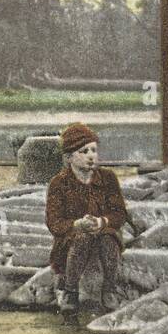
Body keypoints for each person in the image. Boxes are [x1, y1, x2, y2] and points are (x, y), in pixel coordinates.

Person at [44, 122, 127, 322]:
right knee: (80, 239)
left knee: (109, 239)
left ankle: (109, 290)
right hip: (72, 238)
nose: (91, 156)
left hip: (103, 233)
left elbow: (119, 213)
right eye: (84, 151)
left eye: (94, 150)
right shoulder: (59, 183)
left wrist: (102, 221)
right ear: (69, 157)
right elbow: (54, 222)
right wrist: (76, 224)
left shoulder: (107, 178)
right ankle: (70, 292)